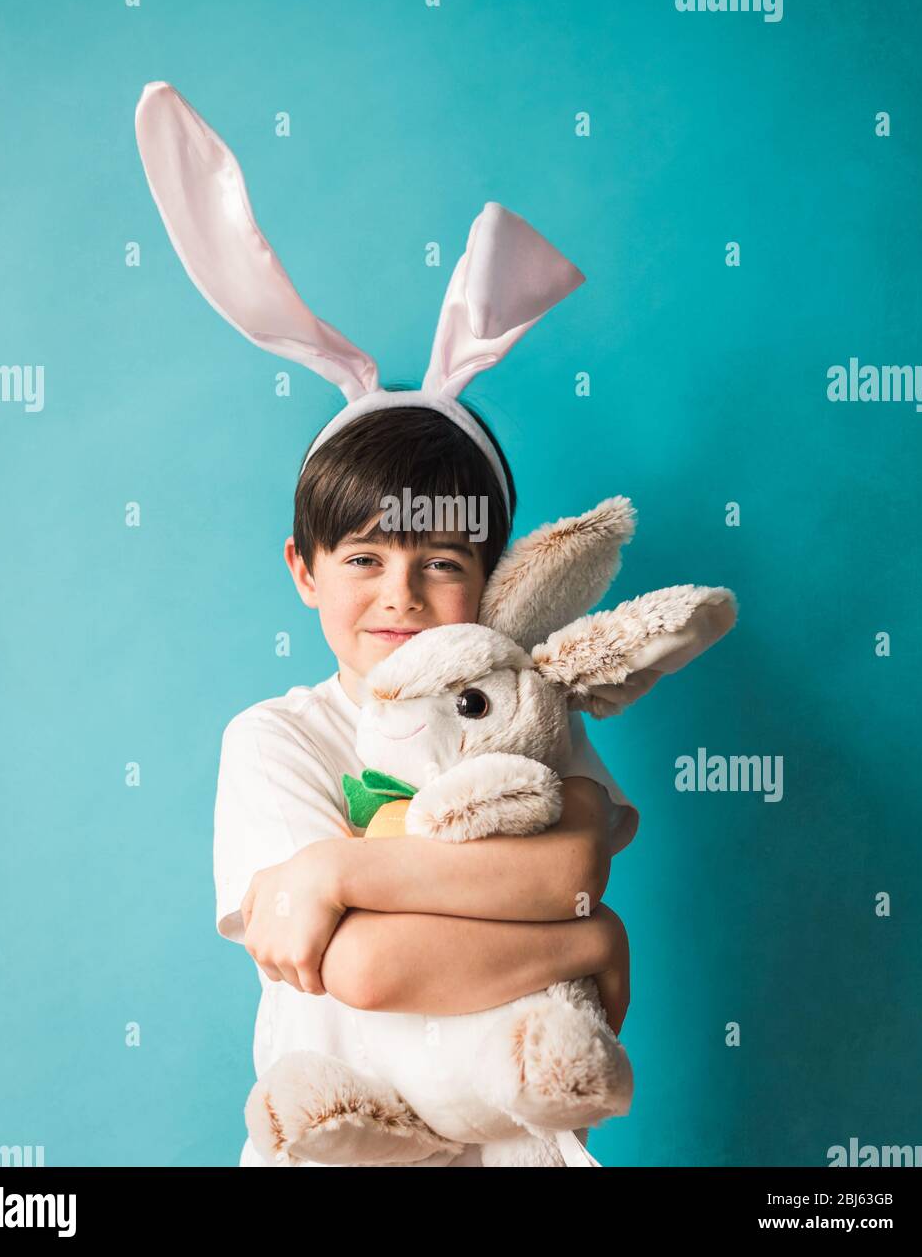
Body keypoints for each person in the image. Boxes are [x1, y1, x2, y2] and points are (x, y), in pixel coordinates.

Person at [213, 400, 640, 1167]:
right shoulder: (275, 740)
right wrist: (589, 937)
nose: (401, 595)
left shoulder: (521, 715)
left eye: (442, 562)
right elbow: (366, 967)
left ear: (493, 582)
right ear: (304, 569)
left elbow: (573, 869)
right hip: (341, 1142)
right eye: (364, 559)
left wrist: (335, 870)